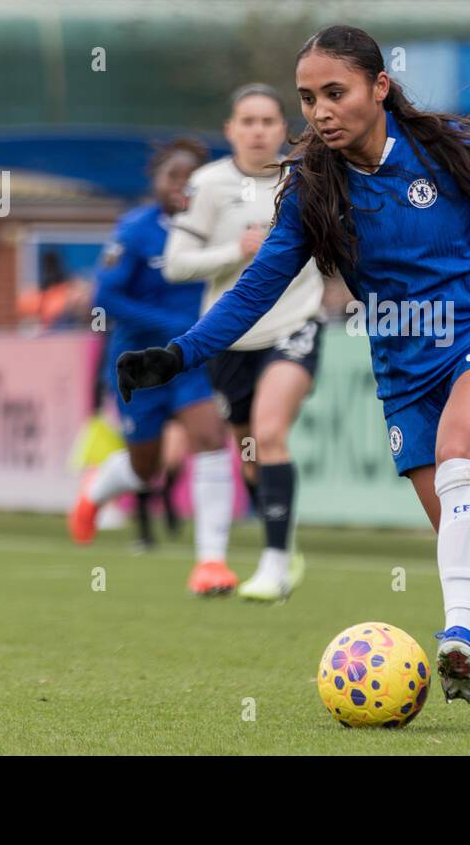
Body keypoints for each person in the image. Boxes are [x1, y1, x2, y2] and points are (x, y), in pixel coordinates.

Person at [116, 25, 470, 725]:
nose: (320, 111)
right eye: (309, 98)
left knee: (461, 457)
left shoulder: (445, 149)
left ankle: (458, 635)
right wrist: (180, 353)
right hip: (402, 372)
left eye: (335, 93)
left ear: (379, 87)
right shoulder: (311, 188)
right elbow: (253, 290)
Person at [163, 84, 324, 602]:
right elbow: (176, 263)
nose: (258, 131)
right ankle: (284, 545)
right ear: (230, 129)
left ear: (284, 130)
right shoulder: (207, 185)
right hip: (230, 337)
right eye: (247, 122)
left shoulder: (306, 180)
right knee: (250, 450)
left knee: (269, 430)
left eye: (268, 122)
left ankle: (274, 562)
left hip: (294, 324)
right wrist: (236, 250)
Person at [69, 139, 240, 597]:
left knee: (209, 438)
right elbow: (104, 298)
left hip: (189, 361)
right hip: (139, 368)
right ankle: (96, 490)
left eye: (191, 178)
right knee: (148, 471)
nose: (182, 186)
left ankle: (211, 563)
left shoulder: (217, 229)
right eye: (172, 177)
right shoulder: (136, 230)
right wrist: (174, 323)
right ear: (156, 182)